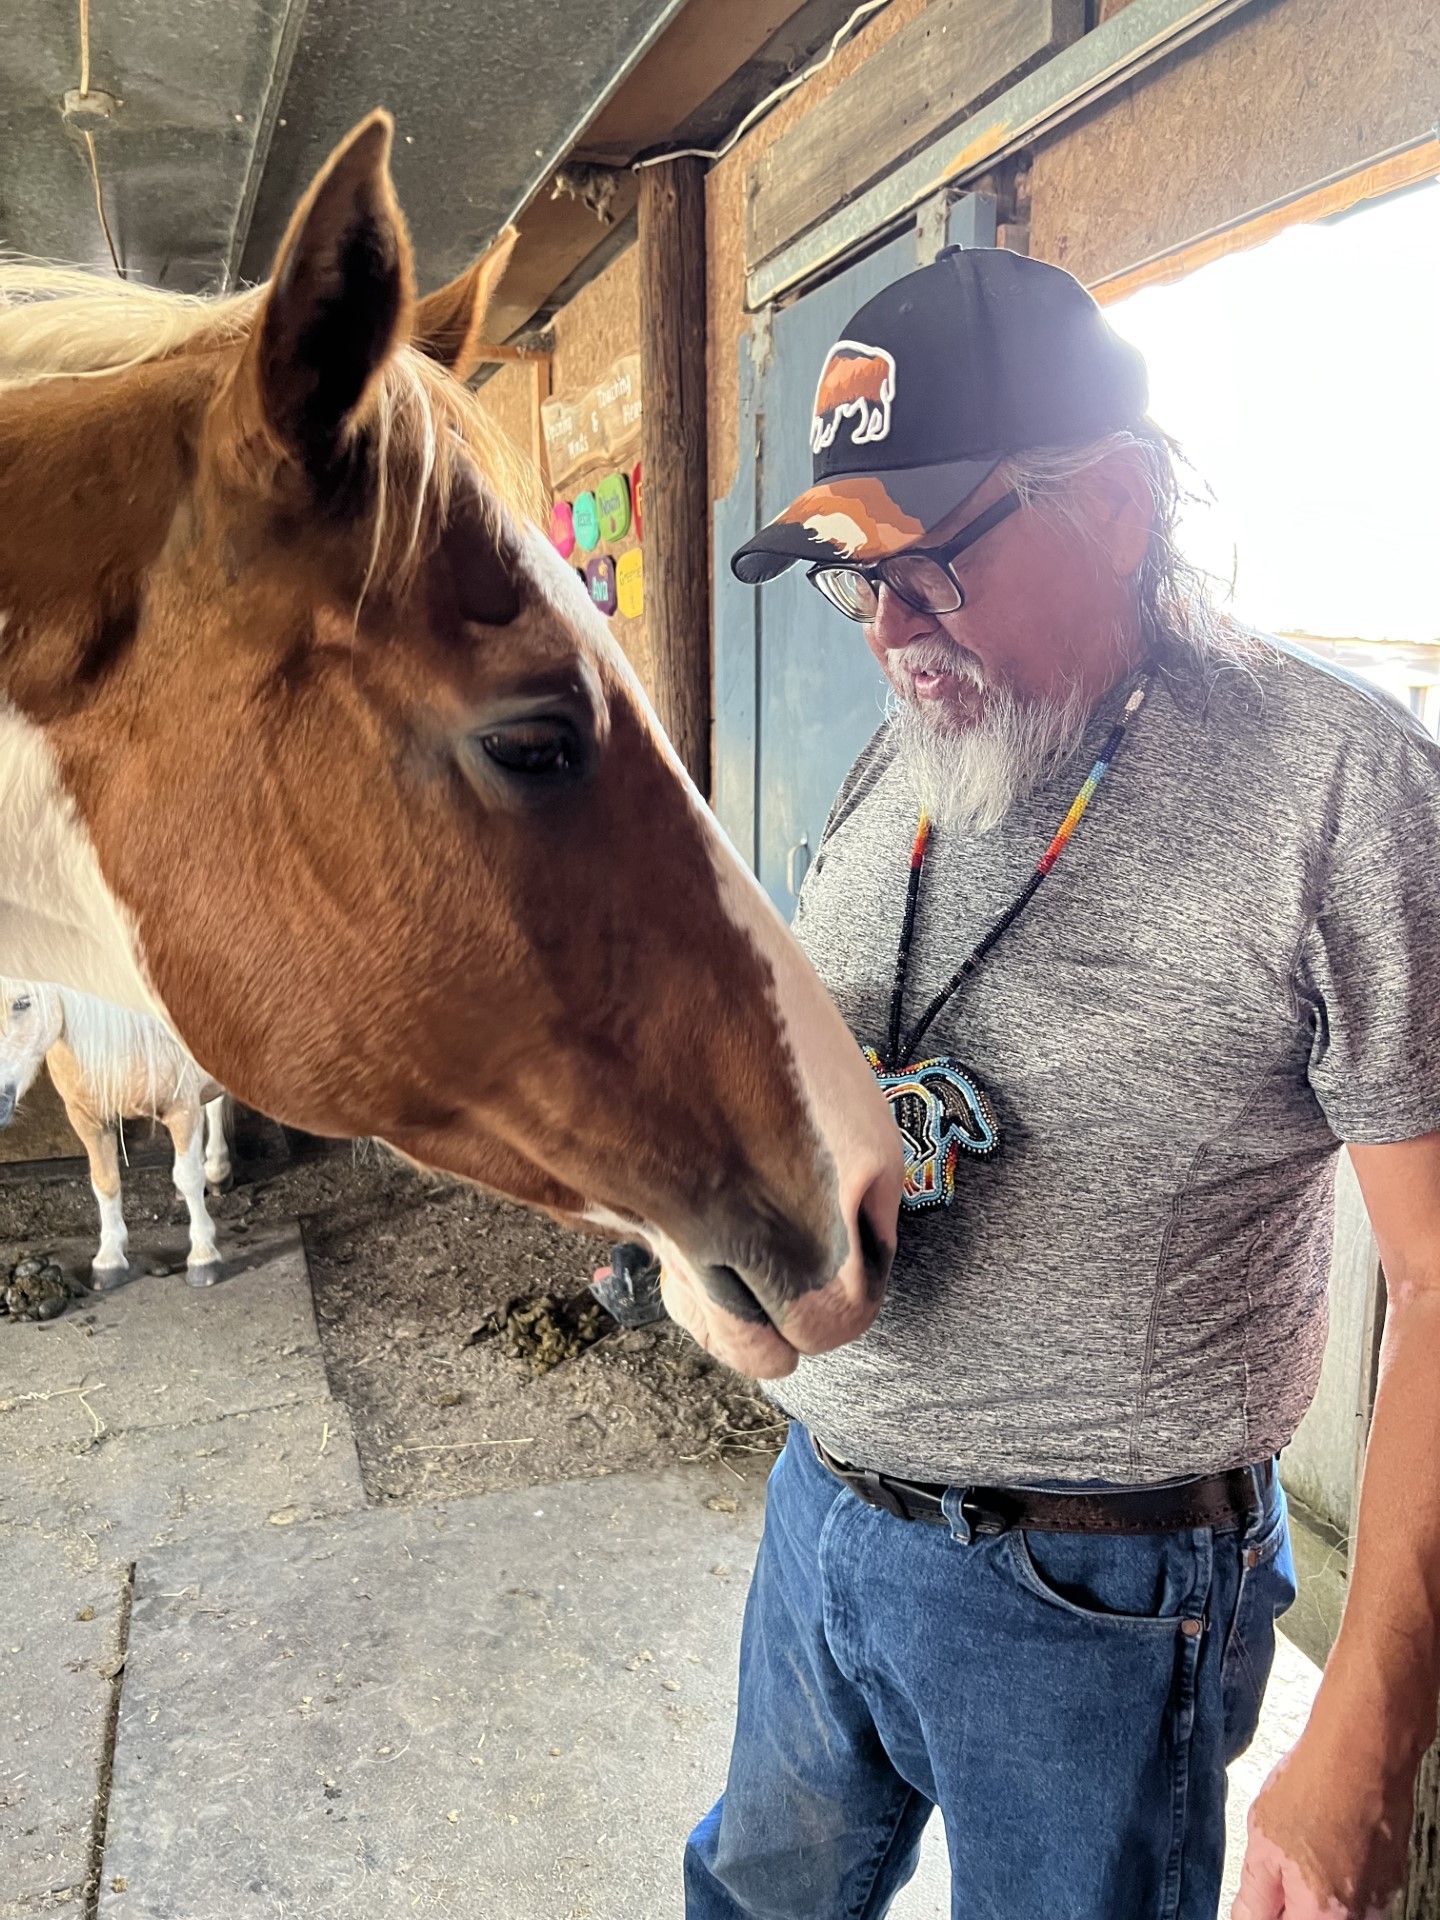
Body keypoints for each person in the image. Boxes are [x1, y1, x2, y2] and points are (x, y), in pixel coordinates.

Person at [677, 245, 1440, 1920]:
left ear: (1114, 501)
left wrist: (1372, 1732)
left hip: (1096, 1591)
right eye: (847, 578)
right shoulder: (916, 748)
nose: (885, 630)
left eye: (928, 568)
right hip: (823, 1515)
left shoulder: (1341, 789)